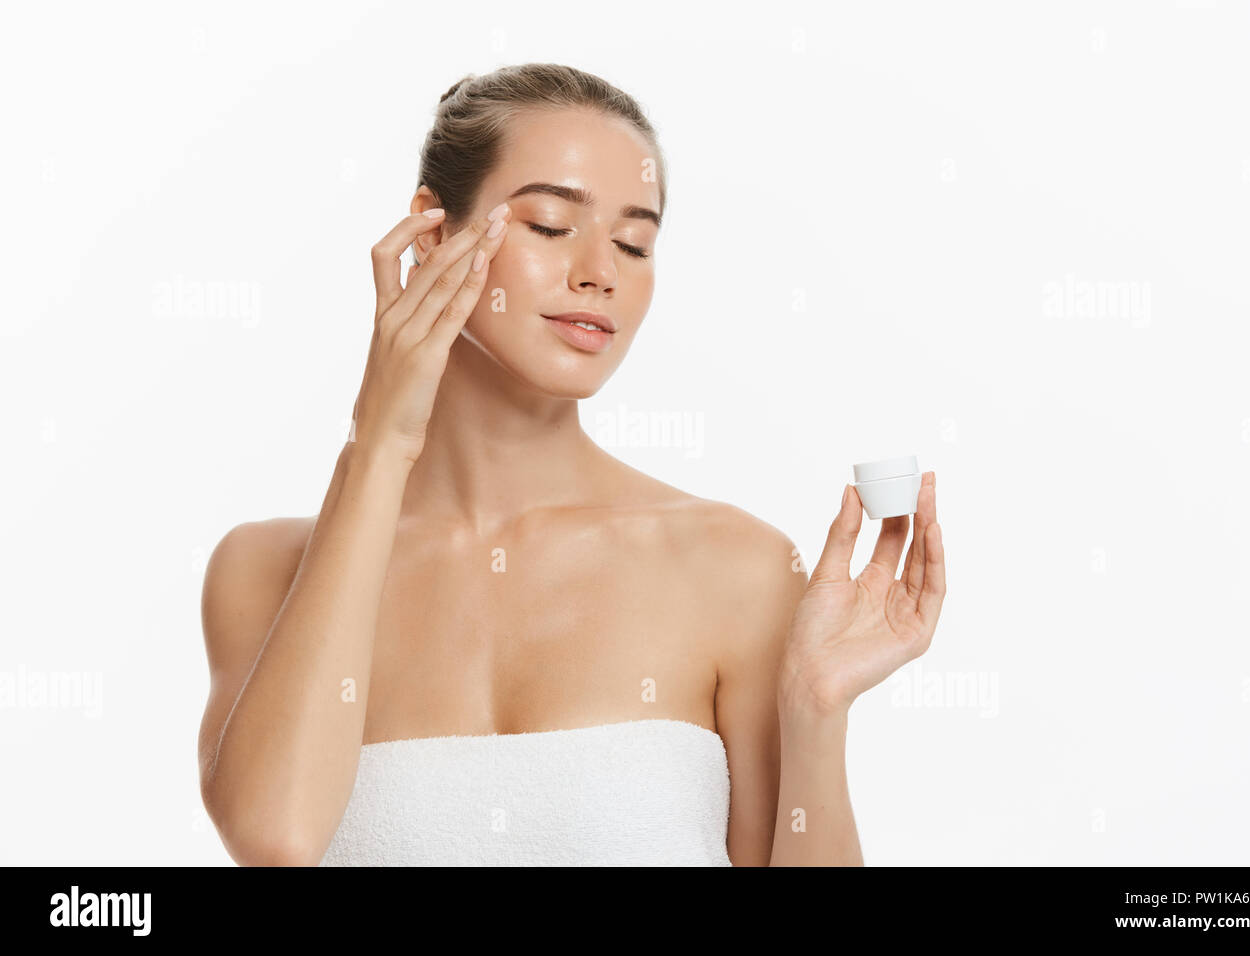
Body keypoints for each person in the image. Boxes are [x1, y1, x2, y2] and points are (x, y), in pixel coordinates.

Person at [197, 62, 946, 867]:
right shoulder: (263, 571)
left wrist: (816, 710)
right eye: (551, 225)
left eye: (635, 242)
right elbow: (275, 838)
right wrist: (380, 442)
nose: (601, 272)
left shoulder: (736, 567)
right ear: (433, 230)